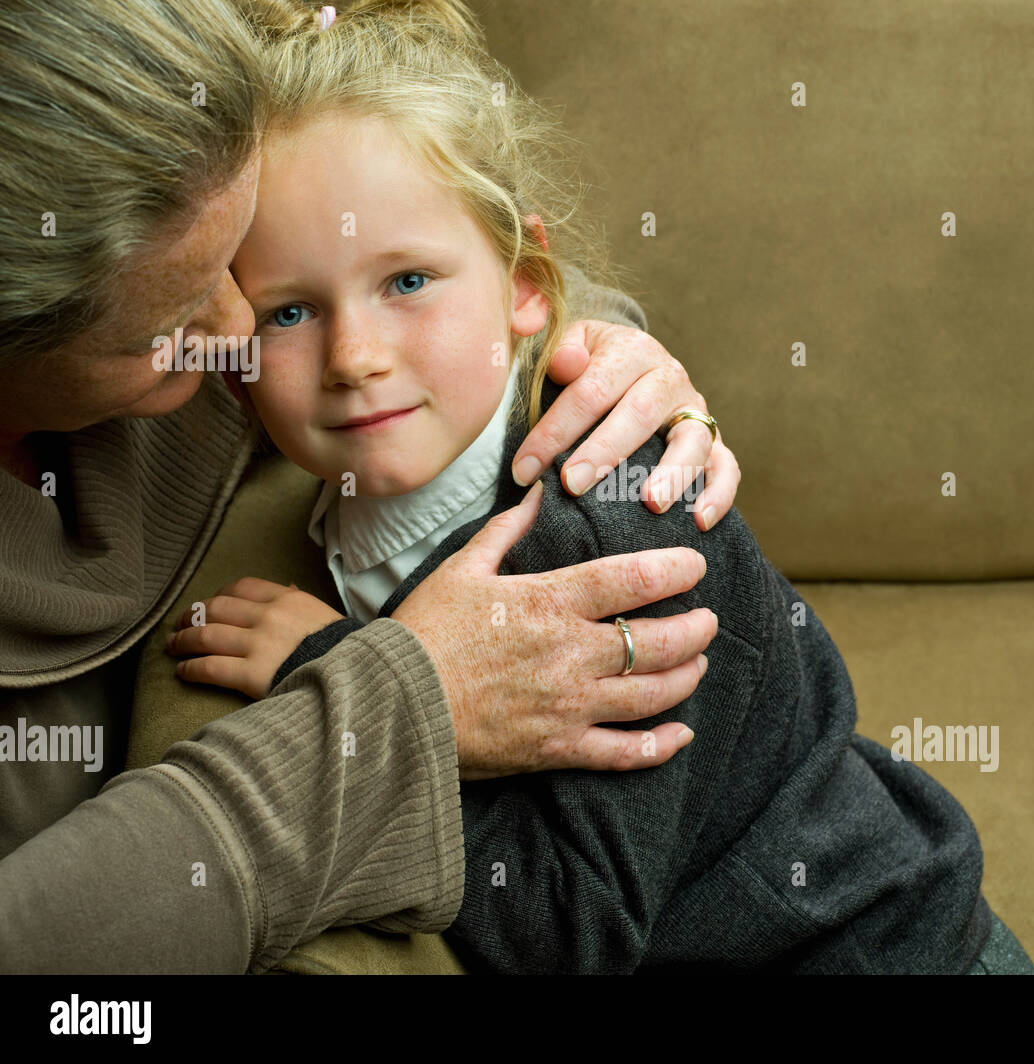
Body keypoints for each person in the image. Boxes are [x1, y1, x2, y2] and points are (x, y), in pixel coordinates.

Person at [169, 0, 1034, 973]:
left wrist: (342, 676)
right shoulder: (349, 473)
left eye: (407, 280)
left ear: (527, 284)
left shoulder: (613, 533)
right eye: (290, 309)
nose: (354, 358)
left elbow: (569, 934)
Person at [0, 0, 744, 974]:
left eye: (232, 256)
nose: (239, 329)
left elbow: (419, 232)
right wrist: (388, 696)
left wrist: (586, 355)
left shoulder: (606, 511)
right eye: (179, 317)